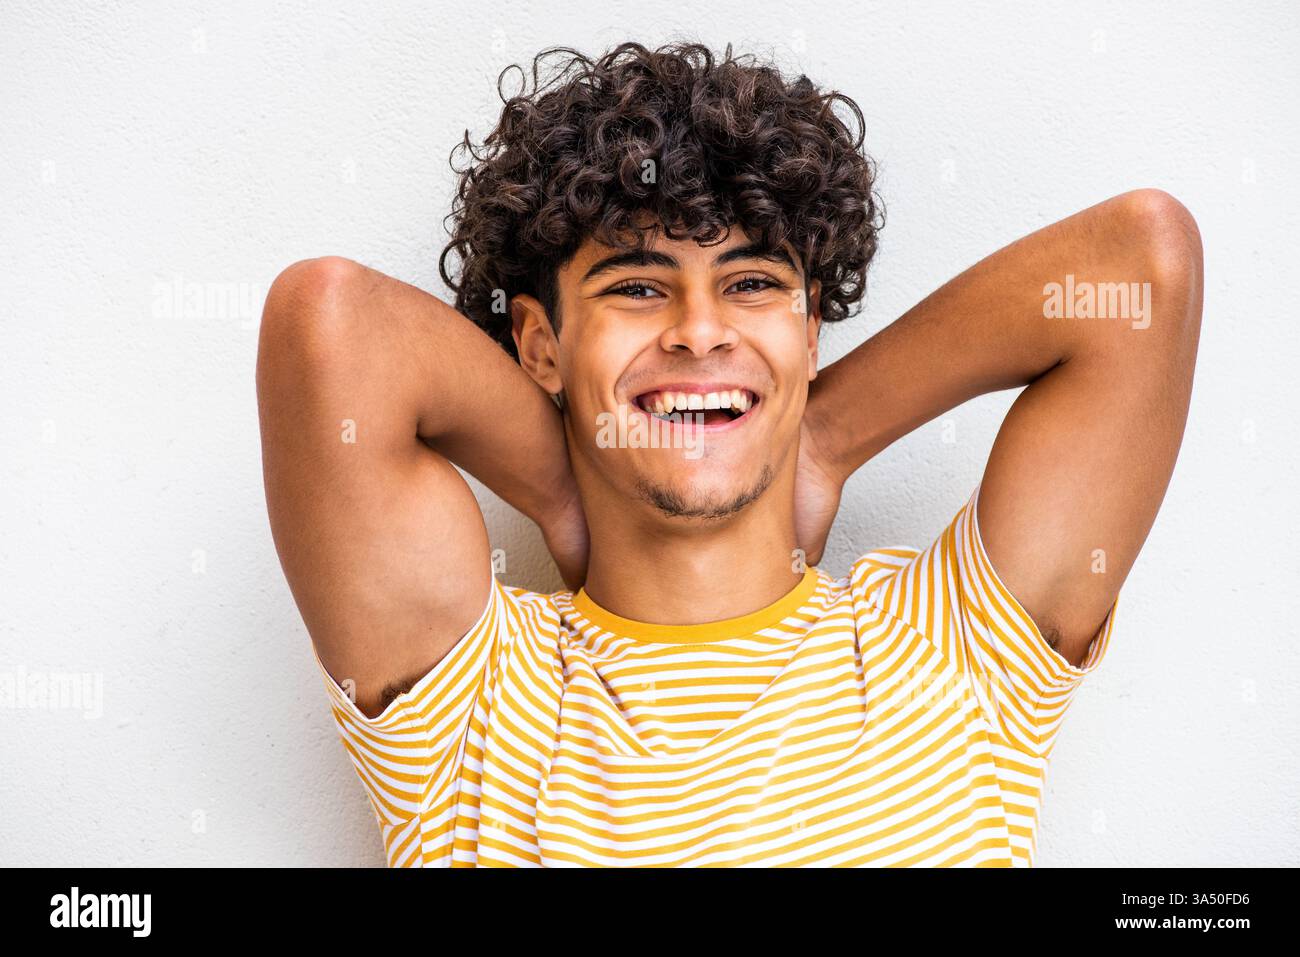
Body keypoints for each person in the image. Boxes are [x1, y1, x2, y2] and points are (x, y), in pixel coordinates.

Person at [256, 42, 1203, 866]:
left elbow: (1142, 266)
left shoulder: (953, 650)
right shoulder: (476, 710)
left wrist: (827, 438)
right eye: (636, 286)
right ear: (540, 345)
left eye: (752, 282)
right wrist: (562, 489)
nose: (700, 331)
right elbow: (329, 327)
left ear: (810, 332)